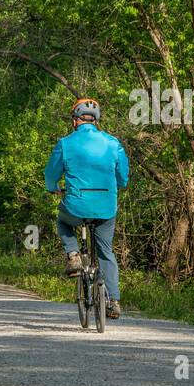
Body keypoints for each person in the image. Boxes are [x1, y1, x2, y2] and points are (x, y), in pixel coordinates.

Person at [44, 97, 130, 318]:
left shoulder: (65, 143)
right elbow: (123, 177)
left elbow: (50, 175)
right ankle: (113, 300)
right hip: (106, 207)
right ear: (96, 120)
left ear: (75, 121)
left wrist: (53, 188)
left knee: (63, 221)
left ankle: (73, 255)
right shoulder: (113, 143)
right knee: (106, 251)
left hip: (76, 206)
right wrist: (117, 185)